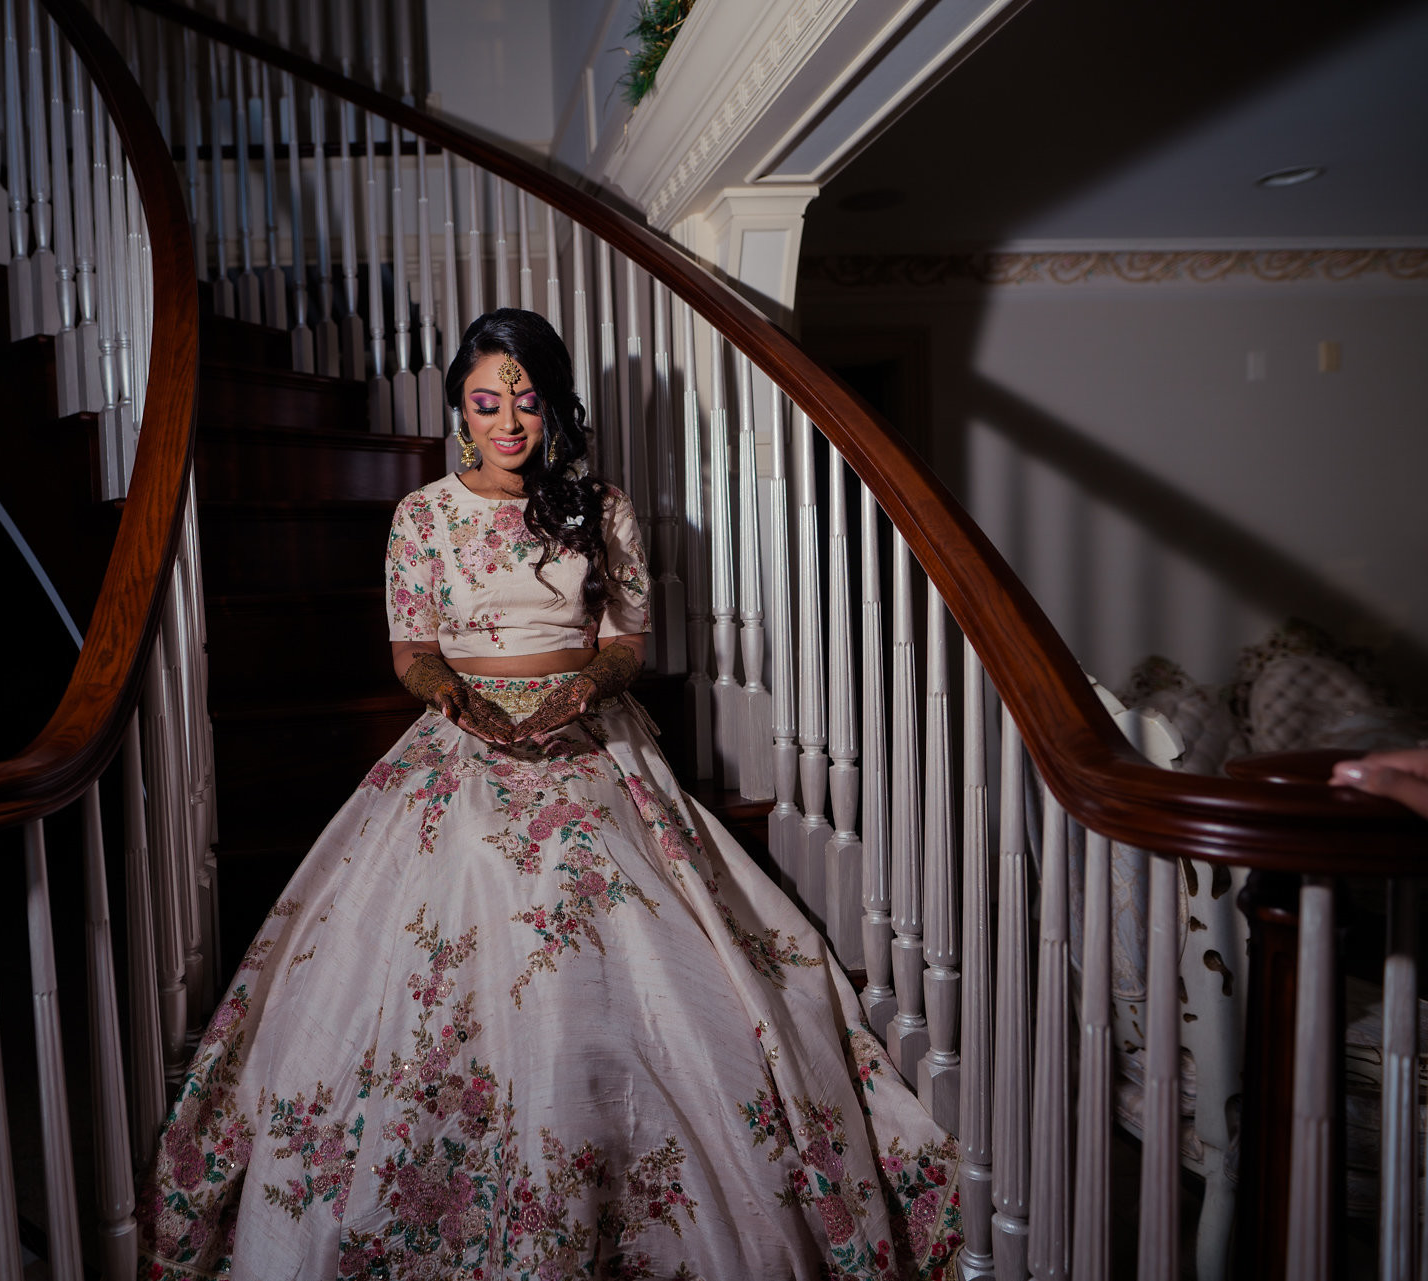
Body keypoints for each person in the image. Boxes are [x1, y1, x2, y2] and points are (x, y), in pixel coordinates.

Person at [141, 310, 963, 1280]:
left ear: (553, 408)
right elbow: (410, 650)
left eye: (525, 402)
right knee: (475, 863)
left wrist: (582, 691)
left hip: (588, 733)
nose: (507, 422)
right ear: (459, 409)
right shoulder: (422, 515)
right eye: (486, 403)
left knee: (591, 879)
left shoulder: (599, 507)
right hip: (466, 734)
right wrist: (459, 700)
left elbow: (626, 642)